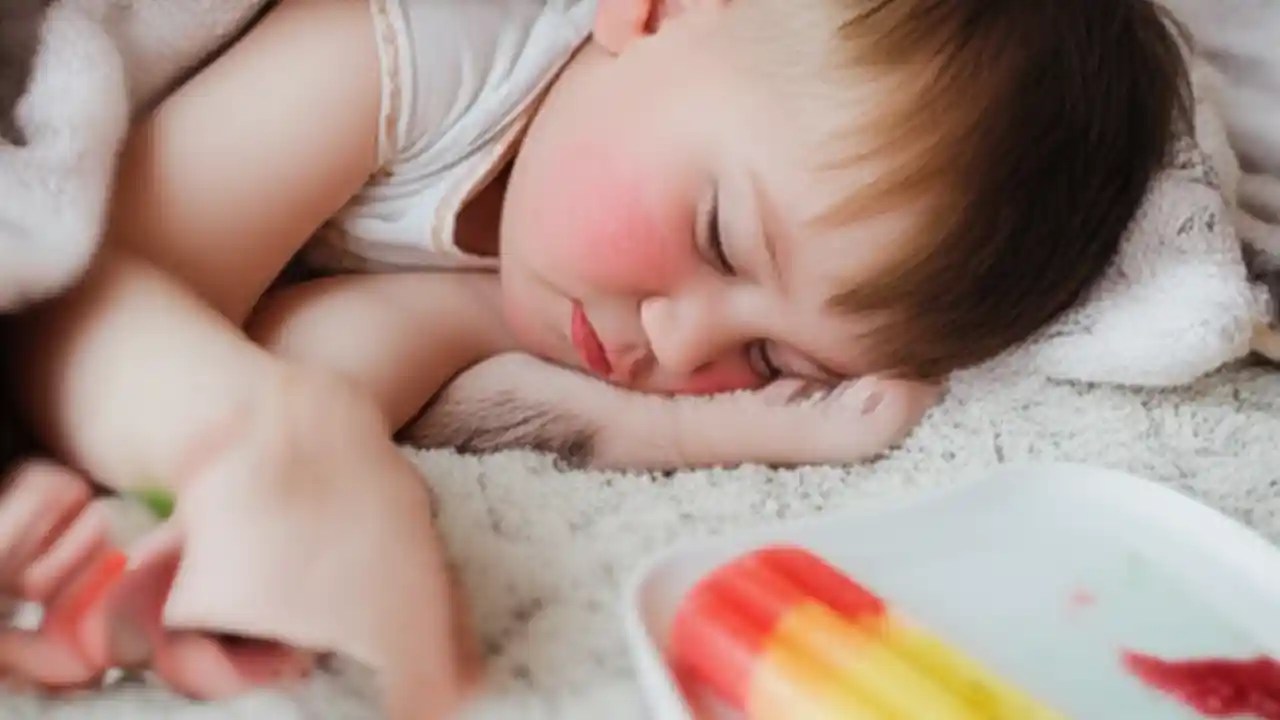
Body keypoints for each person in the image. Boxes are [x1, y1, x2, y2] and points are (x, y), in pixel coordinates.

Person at [0, 0, 1190, 717]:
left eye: (768, 352)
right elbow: (99, 290)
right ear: (656, 11)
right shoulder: (422, 49)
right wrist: (249, 438)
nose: (672, 342)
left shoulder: (583, 240)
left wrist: (702, 434)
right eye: (720, 235)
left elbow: (296, 348)